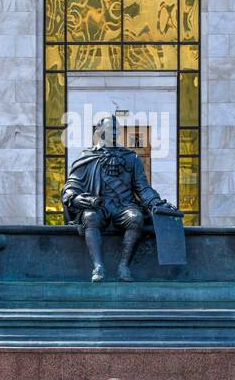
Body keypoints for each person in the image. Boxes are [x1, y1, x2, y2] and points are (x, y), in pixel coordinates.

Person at [61, 111, 181, 282]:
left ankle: (124, 265)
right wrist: (74, 197)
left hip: (124, 206)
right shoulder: (87, 157)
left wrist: (157, 203)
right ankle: (98, 266)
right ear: (100, 130)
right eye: (111, 129)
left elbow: (143, 188)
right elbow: (72, 185)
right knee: (90, 217)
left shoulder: (131, 158)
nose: (116, 132)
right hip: (99, 207)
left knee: (136, 218)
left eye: (117, 129)